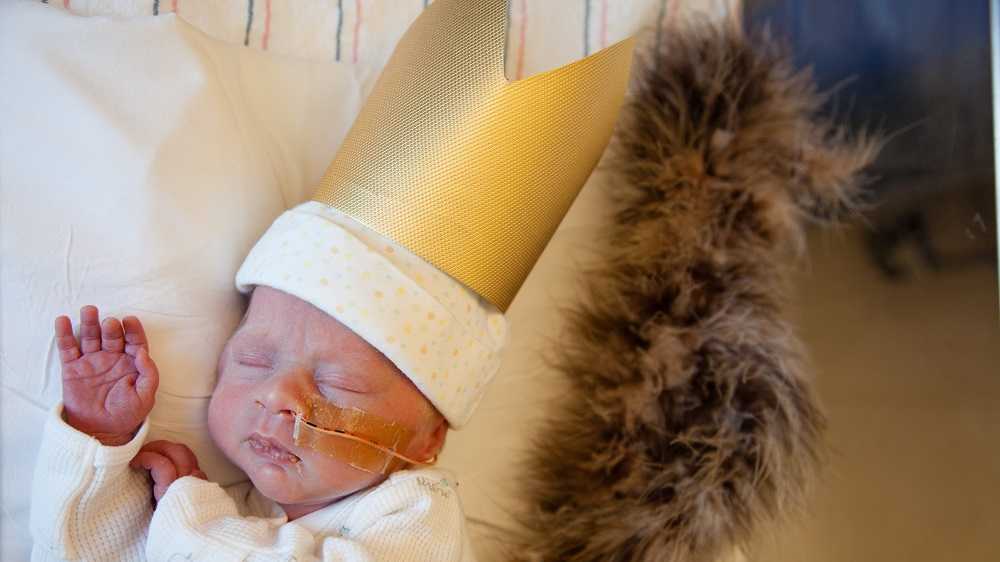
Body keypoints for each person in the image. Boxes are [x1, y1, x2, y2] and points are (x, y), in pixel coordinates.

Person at [28, 1, 635, 560]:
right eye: (252, 359)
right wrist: (99, 445)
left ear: (425, 442)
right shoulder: (252, 512)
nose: (280, 396)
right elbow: (85, 551)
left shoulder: (415, 519)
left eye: (339, 383)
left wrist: (194, 515)